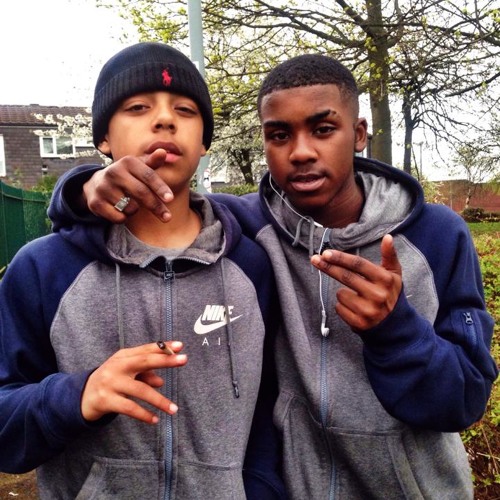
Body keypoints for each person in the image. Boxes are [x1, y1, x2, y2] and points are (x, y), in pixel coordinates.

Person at [48, 53, 498, 499]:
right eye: (279, 135)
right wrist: (82, 189)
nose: (300, 152)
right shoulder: (248, 225)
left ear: (359, 134)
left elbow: (465, 400)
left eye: (323, 129)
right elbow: (169, 211)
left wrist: (396, 331)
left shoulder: (436, 235)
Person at [0, 42, 286, 500]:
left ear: (205, 142)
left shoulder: (253, 266)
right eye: (137, 107)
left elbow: (268, 412)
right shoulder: (43, 268)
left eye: (185, 110)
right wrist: (74, 397)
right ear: (103, 138)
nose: (165, 119)